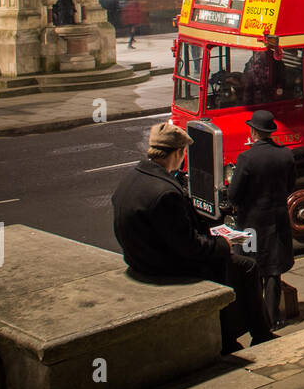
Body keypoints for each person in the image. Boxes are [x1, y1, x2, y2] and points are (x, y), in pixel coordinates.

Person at [111, 122, 275, 352]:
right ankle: (245, 336)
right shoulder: (165, 193)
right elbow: (190, 247)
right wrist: (222, 243)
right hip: (160, 265)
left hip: (139, 257)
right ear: (177, 153)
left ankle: (238, 335)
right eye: (183, 154)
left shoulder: (134, 177)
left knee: (230, 264)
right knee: (245, 267)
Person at [227, 110, 296, 330]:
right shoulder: (285, 155)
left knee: (252, 267)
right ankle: (272, 318)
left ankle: (254, 317)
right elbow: (291, 186)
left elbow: (234, 194)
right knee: (273, 269)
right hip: (277, 220)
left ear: (254, 131)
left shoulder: (247, 158)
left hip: (252, 222)